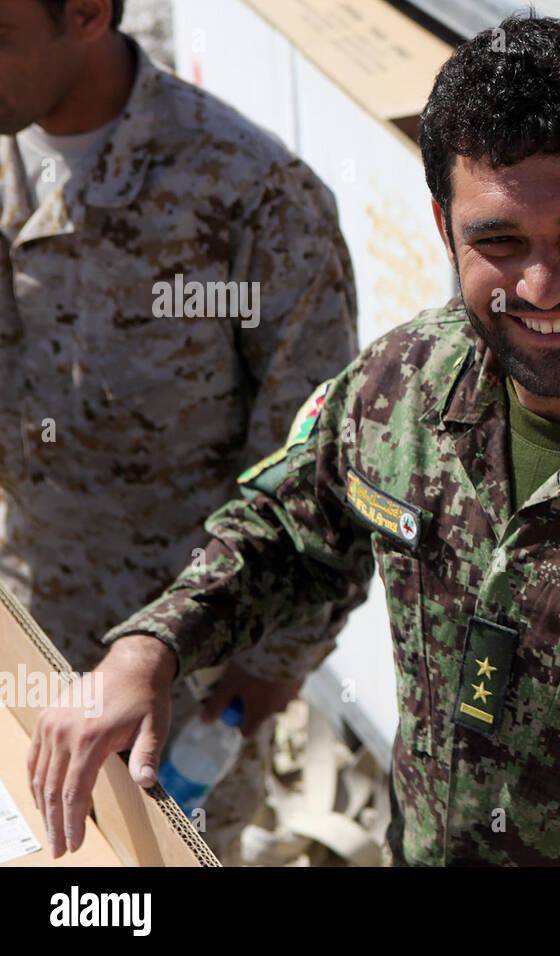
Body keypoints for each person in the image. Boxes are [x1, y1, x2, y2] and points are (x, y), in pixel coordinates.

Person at [28, 13, 560, 866]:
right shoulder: (401, 384)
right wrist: (153, 647)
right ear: (444, 229)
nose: (543, 287)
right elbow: (291, 532)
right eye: (500, 242)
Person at [2, 0, 361, 862]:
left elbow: (323, 468)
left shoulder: (251, 196)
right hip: (29, 630)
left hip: (185, 684)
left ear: (86, 14)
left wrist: (277, 664)